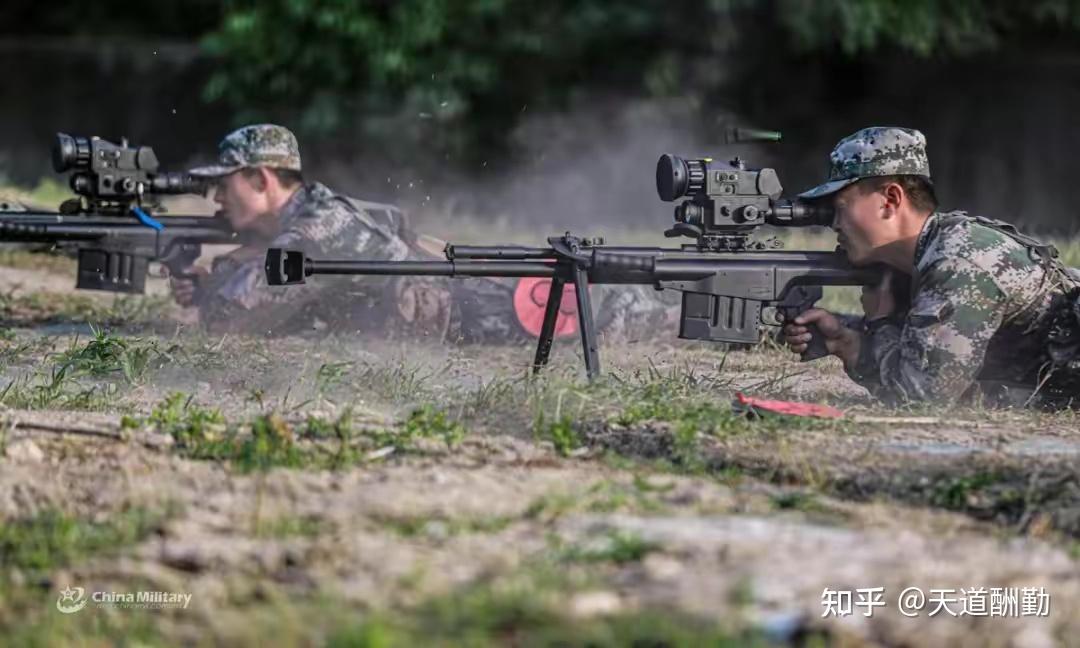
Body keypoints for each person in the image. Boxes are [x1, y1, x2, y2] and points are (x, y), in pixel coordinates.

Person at [173, 124, 679, 342]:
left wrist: (219, 273)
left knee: (655, 310)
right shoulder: (310, 219)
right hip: (471, 306)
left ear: (261, 180)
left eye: (225, 185)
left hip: (491, 312)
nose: (217, 199)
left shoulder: (315, 229)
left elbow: (229, 322)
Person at [781, 126, 1080, 407]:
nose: (834, 223)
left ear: (890, 200)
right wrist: (845, 337)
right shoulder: (928, 255)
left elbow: (920, 395)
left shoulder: (958, 260)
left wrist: (880, 324)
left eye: (840, 208)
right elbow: (918, 346)